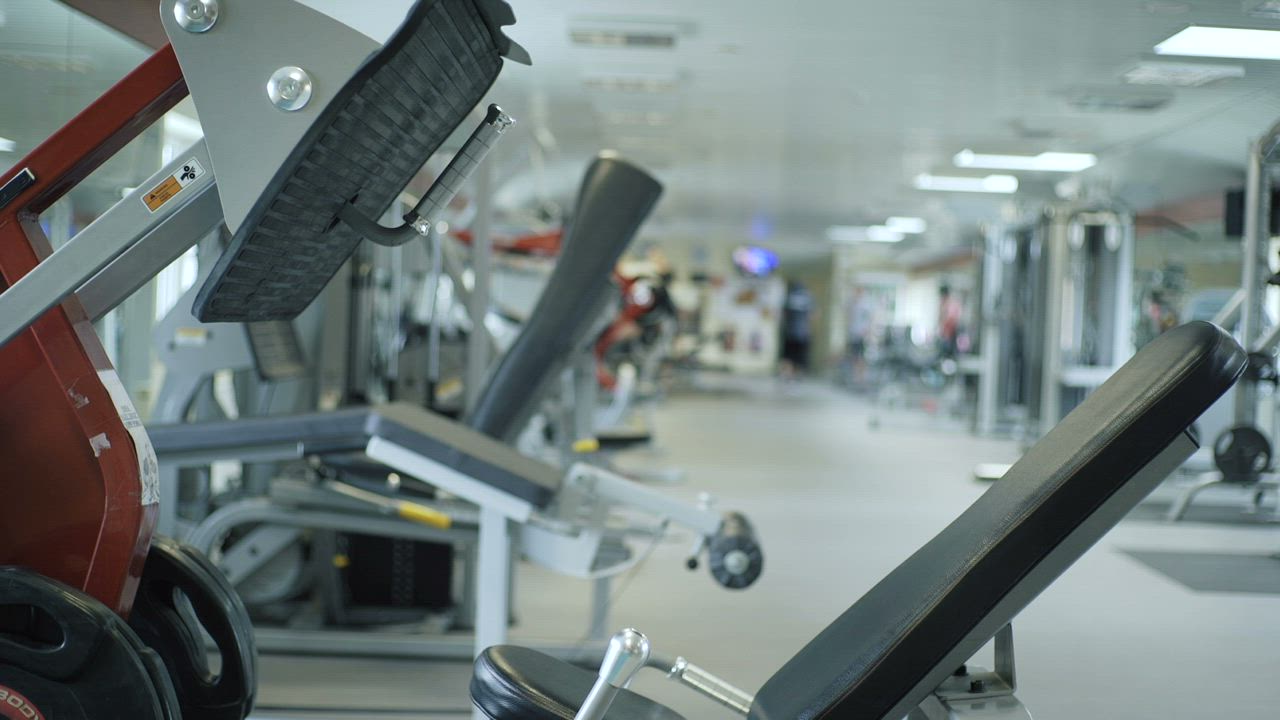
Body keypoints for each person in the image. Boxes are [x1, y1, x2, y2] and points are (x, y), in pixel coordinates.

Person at [779, 280, 813, 379]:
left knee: (788, 356)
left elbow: (782, 314)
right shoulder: (808, 298)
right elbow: (813, 316)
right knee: (799, 358)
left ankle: (786, 375)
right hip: (803, 333)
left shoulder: (789, 296)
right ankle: (795, 377)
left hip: (789, 332)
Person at [846, 287, 875, 385]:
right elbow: (850, 318)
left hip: (862, 335)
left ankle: (862, 378)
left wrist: (868, 332)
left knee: (862, 358)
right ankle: (856, 378)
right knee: (854, 357)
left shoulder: (865, 305)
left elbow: (870, 319)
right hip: (853, 334)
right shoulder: (852, 304)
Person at [937, 284, 963, 359]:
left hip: (951, 332)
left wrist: (946, 332)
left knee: (950, 352)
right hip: (946, 332)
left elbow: (951, 319)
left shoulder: (951, 303)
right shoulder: (943, 303)